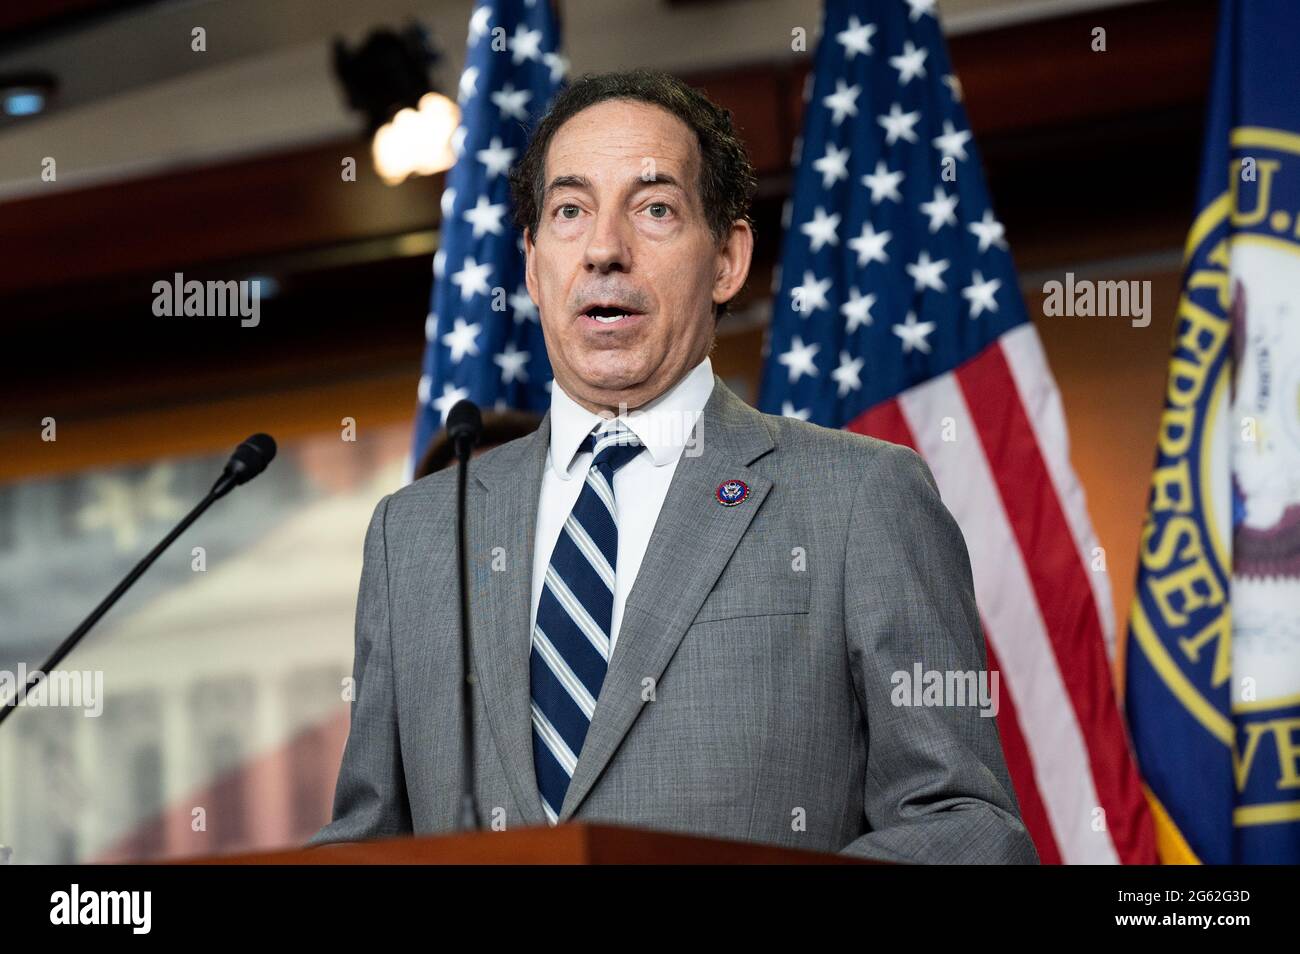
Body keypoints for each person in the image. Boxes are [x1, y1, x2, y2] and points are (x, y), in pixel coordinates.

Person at [312, 69, 1038, 863]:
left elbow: (966, 830)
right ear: (530, 265)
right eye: (569, 211)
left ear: (727, 258)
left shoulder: (859, 498)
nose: (603, 250)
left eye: (654, 209)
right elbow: (366, 843)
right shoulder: (414, 533)